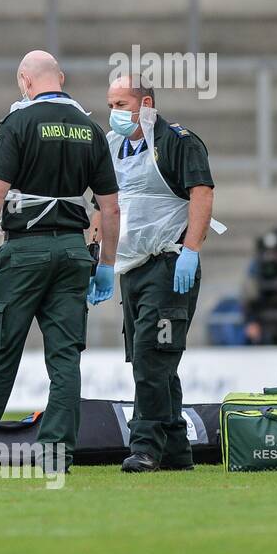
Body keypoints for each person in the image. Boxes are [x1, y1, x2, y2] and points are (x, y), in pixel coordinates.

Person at [0, 50, 120, 476]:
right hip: (74, 254)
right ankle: (57, 456)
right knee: (65, 359)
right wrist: (106, 263)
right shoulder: (91, 129)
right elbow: (110, 209)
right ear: (61, 78)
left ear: (24, 80)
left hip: (24, 254)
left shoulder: (17, 123)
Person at [94, 75, 222, 473]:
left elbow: (202, 192)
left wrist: (191, 250)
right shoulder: (113, 148)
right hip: (131, 268)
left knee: (153, 354)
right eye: (110, 105)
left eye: (121, 104)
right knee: (152, 360)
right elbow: (102, 206)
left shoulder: (178, 142)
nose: (113, 113)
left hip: (168, 265)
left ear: (145, 102)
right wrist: (99, 258)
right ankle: (176, 450)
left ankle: (145, 445)